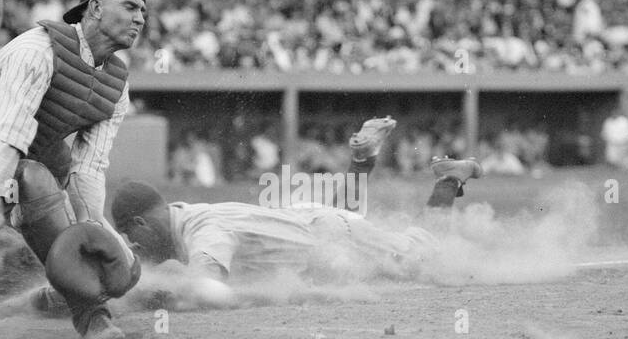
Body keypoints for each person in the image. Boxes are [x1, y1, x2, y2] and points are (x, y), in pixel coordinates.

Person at [0, 0, 147, 339]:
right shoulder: (37, 50)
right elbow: (4, 133)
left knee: (125, 269)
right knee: (31, 179)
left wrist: (93, 230)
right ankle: (90, 315)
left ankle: (39, 293)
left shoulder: (116, 84)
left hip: (32, 180)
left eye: (143, 11)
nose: (140, 18)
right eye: (130, 7)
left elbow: (88, 170)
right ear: (95, 8)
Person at [107, 117, 482, 309]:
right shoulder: (183, 215)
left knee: (426, 257)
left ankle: (450, 178)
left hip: (329, 238)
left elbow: (209, 290)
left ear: (141, 222)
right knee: (340, 225)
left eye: (130, 237)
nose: (134, 246)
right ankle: (362, 159)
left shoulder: (203, 230)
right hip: (307, 226)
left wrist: (163, 295)